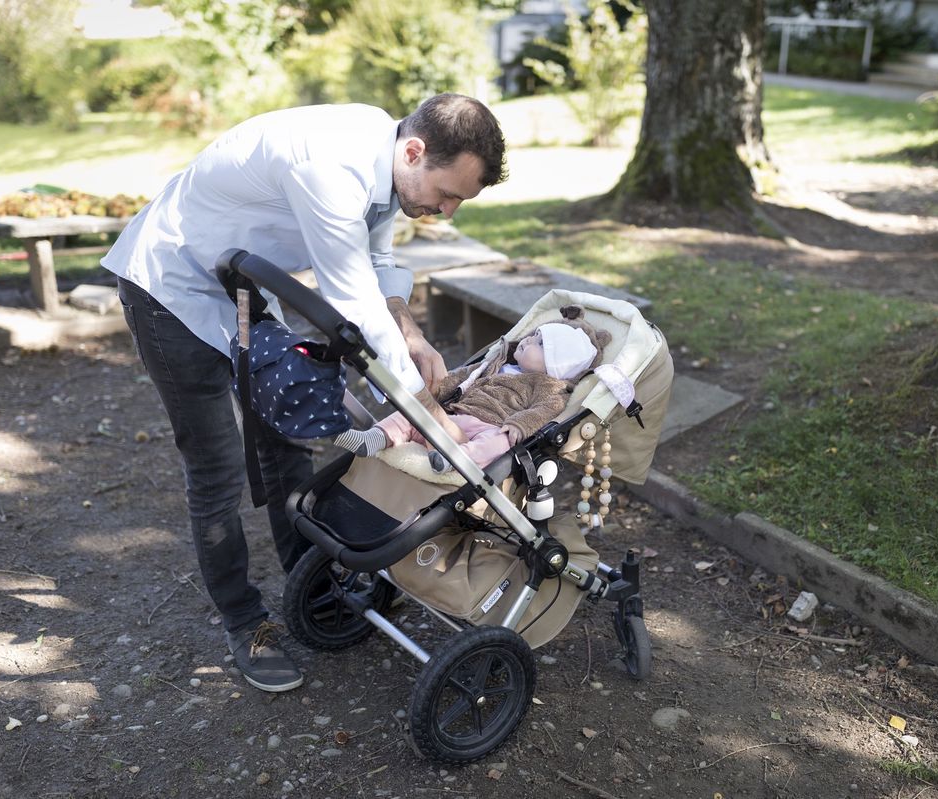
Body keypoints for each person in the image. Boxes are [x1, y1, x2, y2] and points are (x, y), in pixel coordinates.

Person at [102, 94, 507, 693]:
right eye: (448, 194)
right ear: (415, 151)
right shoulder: (331, 167)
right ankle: (245, 622)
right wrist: (427, 417)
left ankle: (310, 582)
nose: (447, 211)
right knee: (216, 470)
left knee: (284, 444)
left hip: (238, 289)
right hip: (169, 283)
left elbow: (376, 259)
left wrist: (413, 333)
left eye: (459, 202)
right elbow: (353, 302)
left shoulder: (389, 157)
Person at [333, 305, 611, 472]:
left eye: (539, 344)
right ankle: (375, 437)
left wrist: (520, 424)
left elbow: (546, 410)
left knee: (499, 443)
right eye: (533, 335)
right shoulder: (496, 363)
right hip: (453, 416)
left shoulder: (548, 385)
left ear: (554, 366)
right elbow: (460, 377)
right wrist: (436, 388)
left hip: (489, 426)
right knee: (412, 414)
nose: (528, 340)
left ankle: (455, 461)